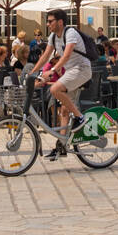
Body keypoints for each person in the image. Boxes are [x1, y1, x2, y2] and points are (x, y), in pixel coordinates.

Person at [30, 9, 93, 159]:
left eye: (50, 21)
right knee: (64, 110)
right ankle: (61, 146)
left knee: (55, 89)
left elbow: (67, 55)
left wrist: (52, 71)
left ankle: (80, 118)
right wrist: (32, 72)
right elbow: (45, 56)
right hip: (71, 71)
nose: (48, 24)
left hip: (82, 70)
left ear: (60, 22)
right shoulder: (53, 37)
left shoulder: (70, 33)